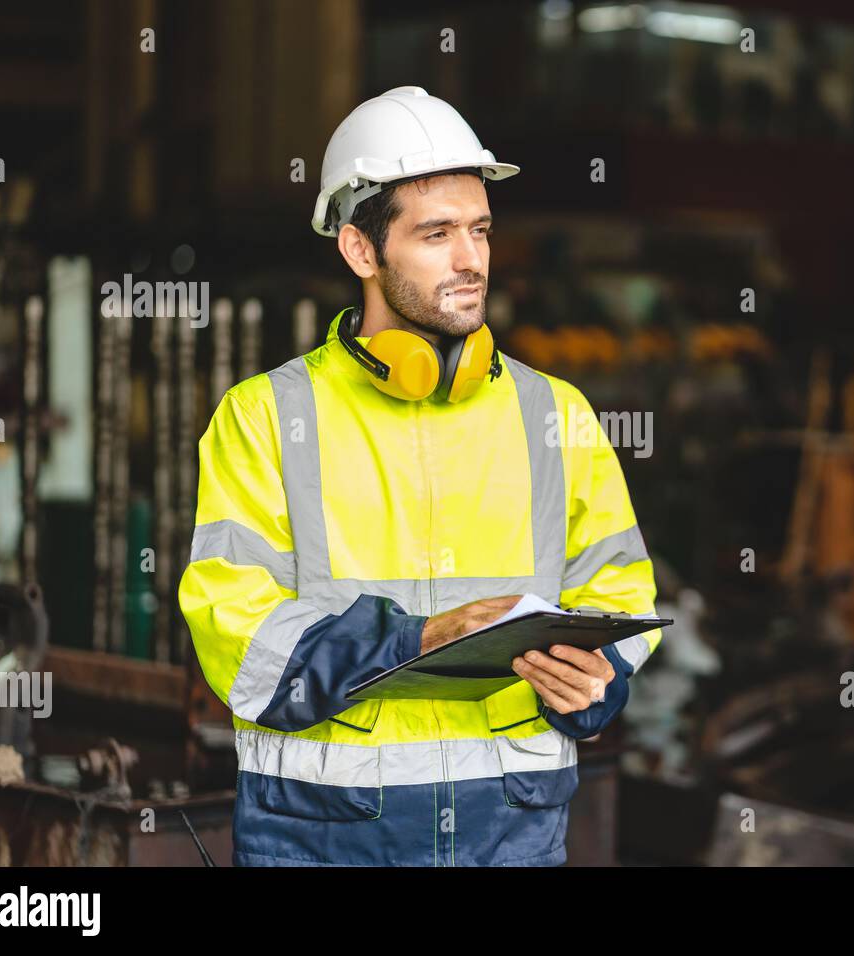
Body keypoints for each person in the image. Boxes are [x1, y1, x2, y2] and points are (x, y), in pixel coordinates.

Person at [179, 87, 660, 866]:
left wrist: (595, 682)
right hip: (324, 834)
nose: (471, 259)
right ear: (360, 251)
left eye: (479, 230)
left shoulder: (554, 412)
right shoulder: (265, 416)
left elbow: (619, 593)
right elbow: (238, 637)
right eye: (436, 234)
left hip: (510, 831)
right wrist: (418, 639)